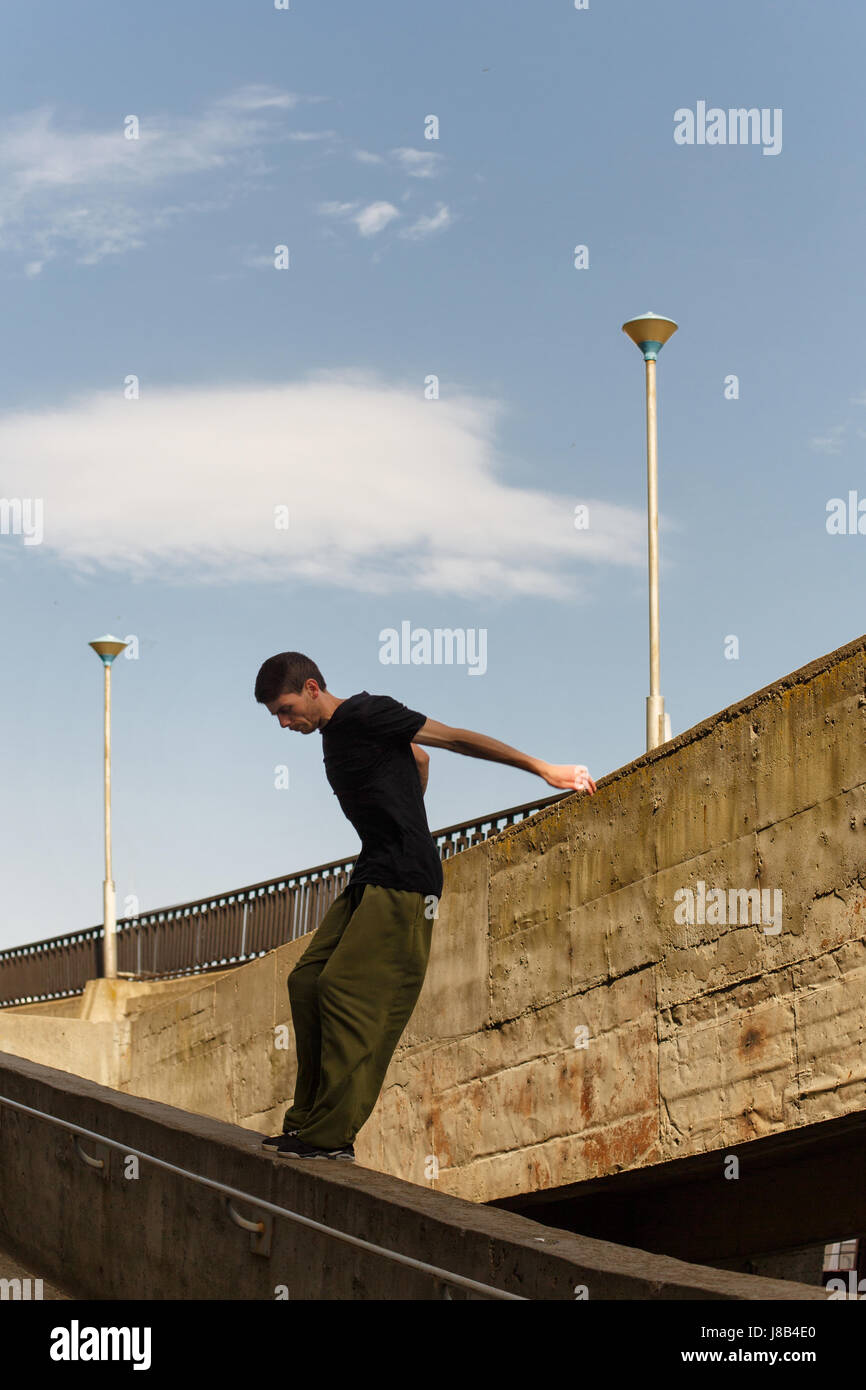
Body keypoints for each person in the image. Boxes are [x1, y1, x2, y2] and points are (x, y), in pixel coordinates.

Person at [253, 651, 596, 1162]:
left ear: (310, 688)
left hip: (404, 878)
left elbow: (452, 740)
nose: (284, 723)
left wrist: (543, 769)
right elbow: (419, 760)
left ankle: (332, 1138)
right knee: (305, 982)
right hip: (374, 869)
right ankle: (307, 1122)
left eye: (285, 709)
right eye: (275, 717)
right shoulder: (336, 735)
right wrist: (407, 814)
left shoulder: (367, 713)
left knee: (340, 990)